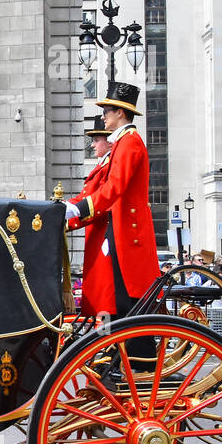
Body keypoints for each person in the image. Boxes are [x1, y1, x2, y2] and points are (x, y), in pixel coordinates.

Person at [63, 84, 161, 365]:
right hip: (118, 230)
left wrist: (79, 208)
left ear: (120, 112)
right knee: (120, 301)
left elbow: (115, 187)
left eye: (107, 111)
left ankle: (140, 363)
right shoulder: (122, 142)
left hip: (127, 234)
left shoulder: (130, 142)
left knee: (129, 301)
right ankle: (126, 358)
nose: (104, 116)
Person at [66, 116, 114, 317]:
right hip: (96, 235)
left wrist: (70, 214)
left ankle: (105, 337)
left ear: (109, 140)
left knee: (104, 298)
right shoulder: (102, 165)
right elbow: (85, 198)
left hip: (105, 235)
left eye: (96, 140)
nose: (92, 144)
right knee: (98, 294)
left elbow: (97, 200)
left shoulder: (109, 165)